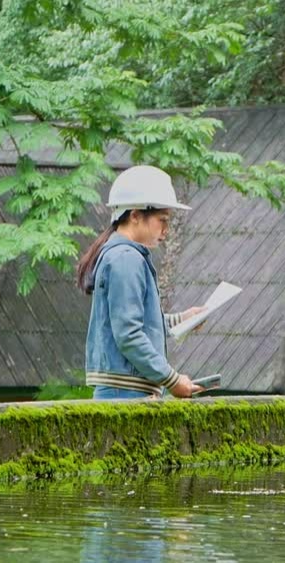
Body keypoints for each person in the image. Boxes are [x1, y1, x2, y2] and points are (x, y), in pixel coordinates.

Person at [76, 165, 206, 401]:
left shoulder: (124, 255)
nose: (166, 230)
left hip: (127, 390)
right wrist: (173, 380)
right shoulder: (126, 258)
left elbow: (140, 323)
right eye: (161, 220)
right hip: (125, 392)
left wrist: (182, 319)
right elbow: (129, 334)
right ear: (135, 215)